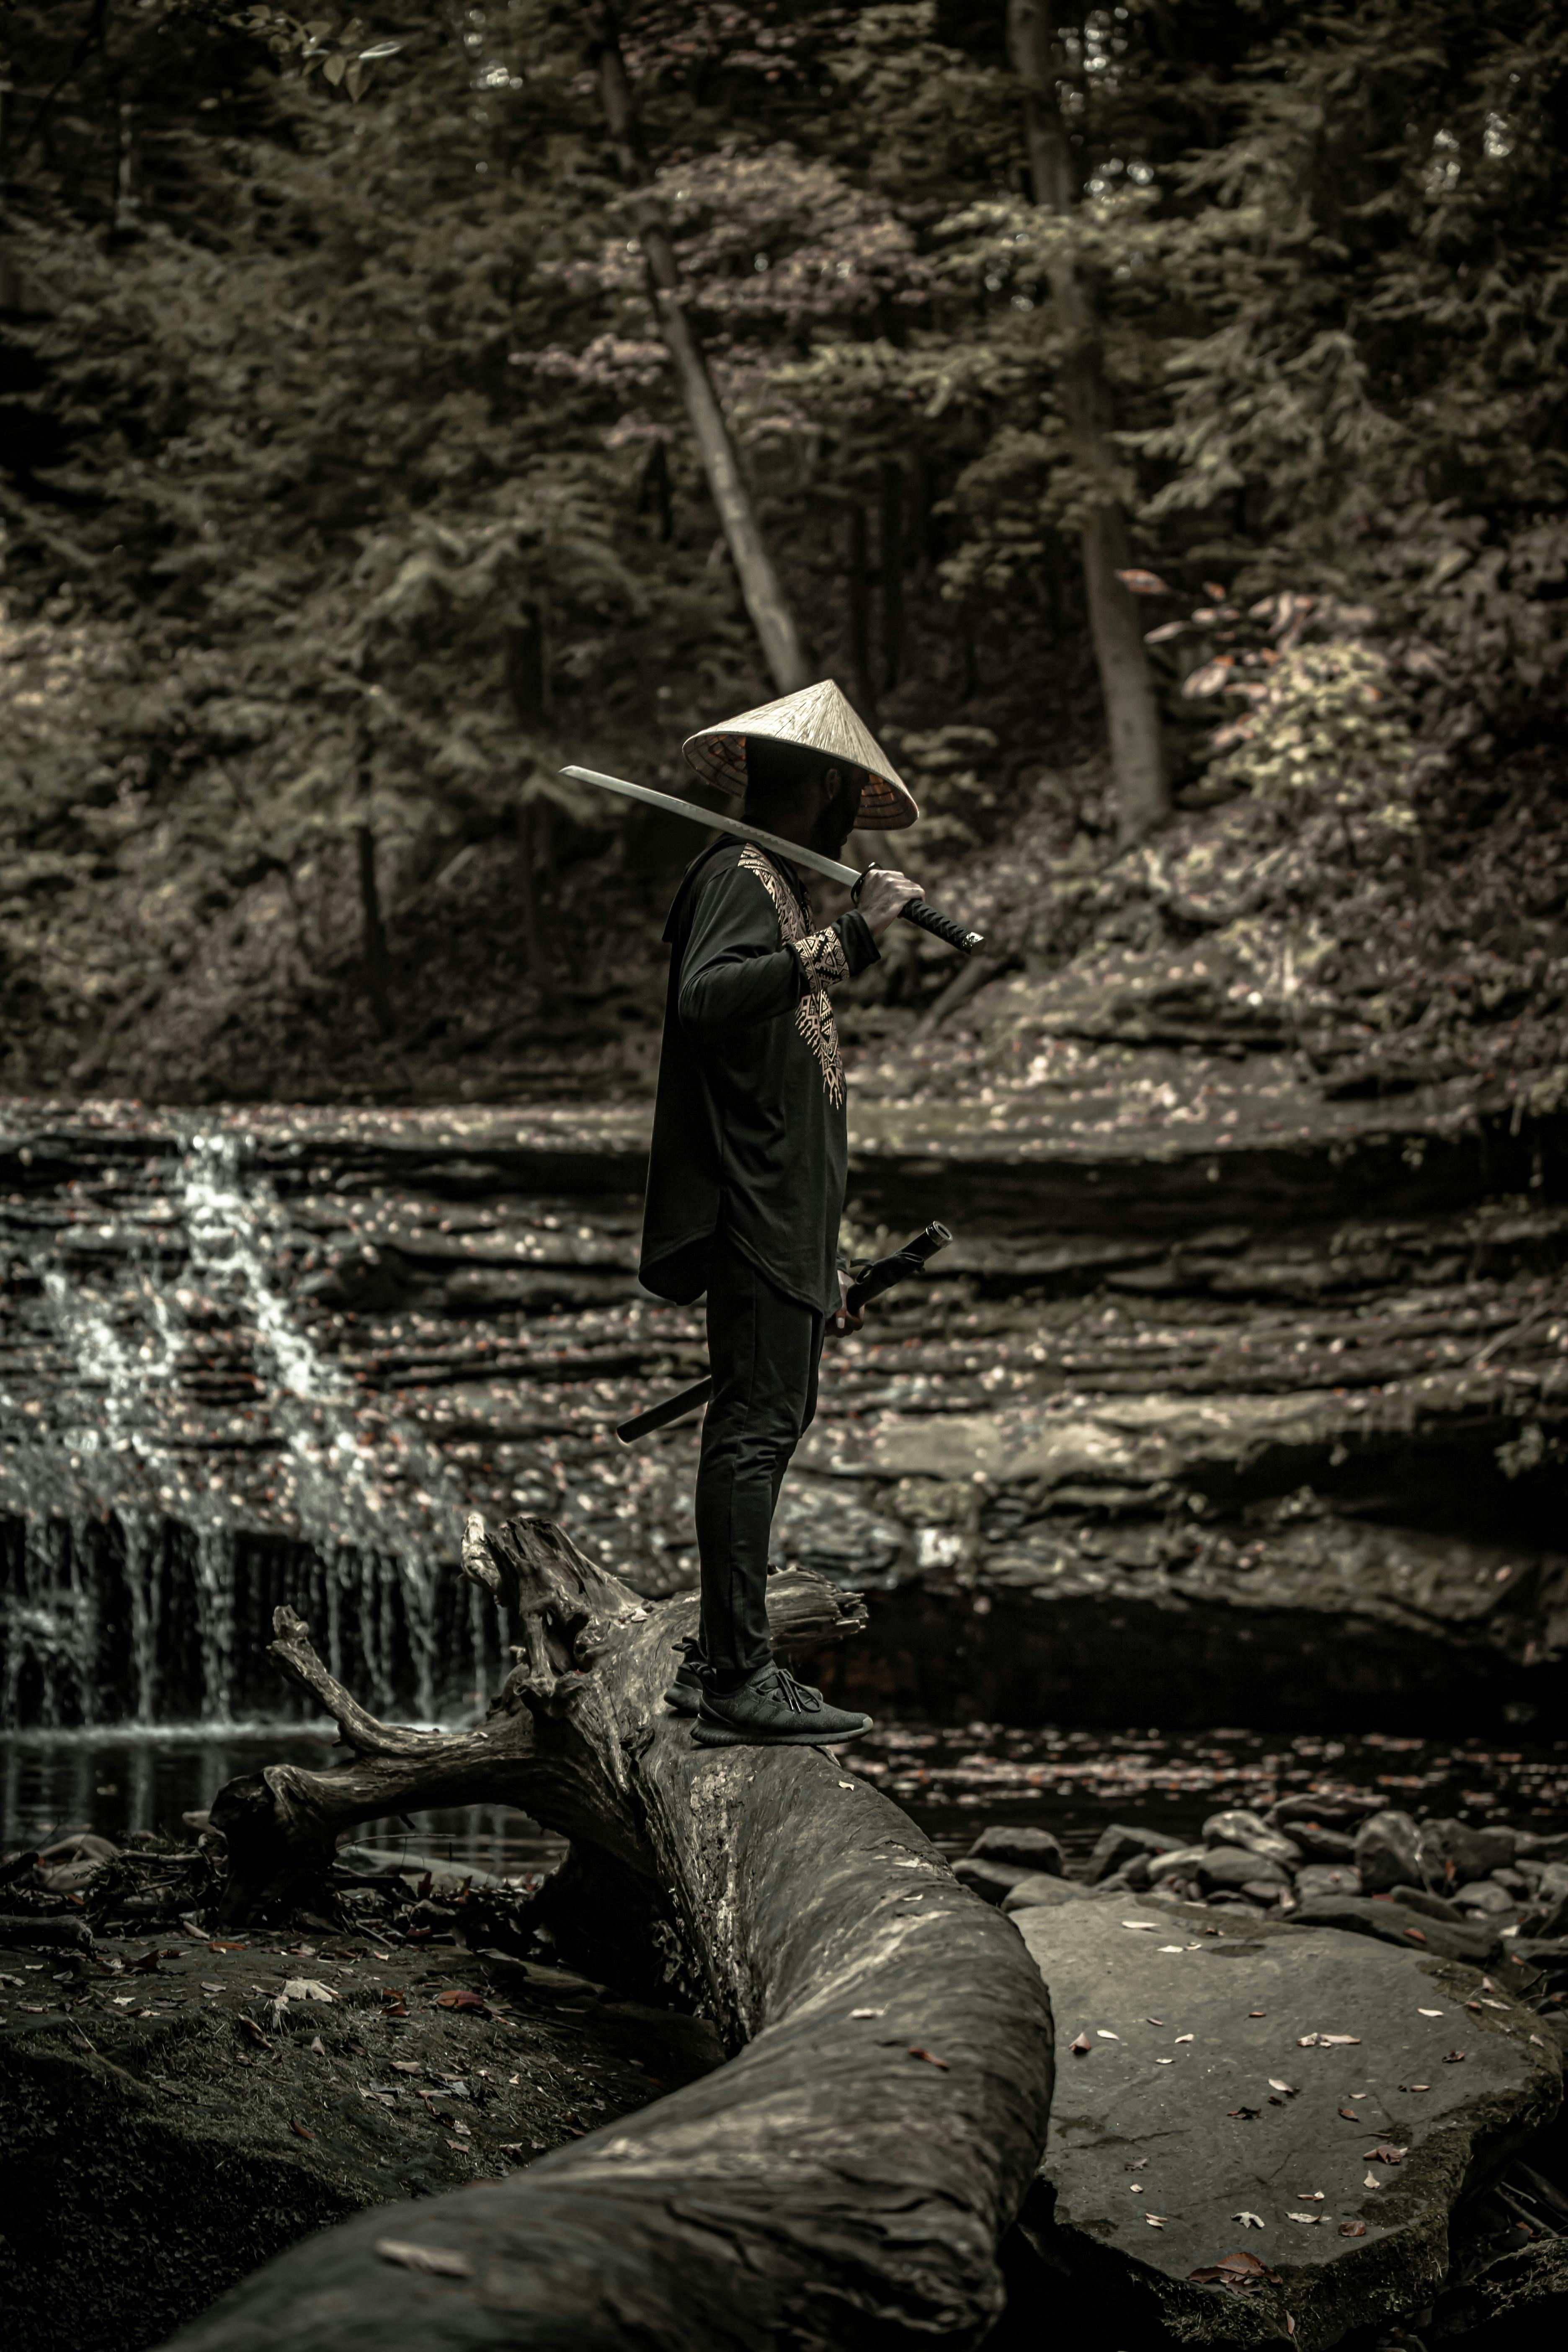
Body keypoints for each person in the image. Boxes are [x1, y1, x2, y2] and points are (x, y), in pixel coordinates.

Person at [638, 679, 922, 1749]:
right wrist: (846, 943)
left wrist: (827, 1255)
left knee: (766, 1426)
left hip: (786, 1223)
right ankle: (736, 1680)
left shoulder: (774, 890)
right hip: (752, 1215)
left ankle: (717, 1666)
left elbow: (784, 1101)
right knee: (753, 1432)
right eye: (846, 795)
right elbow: (706, 999)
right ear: (826, 792)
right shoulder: (740, 874)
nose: (852, 818)